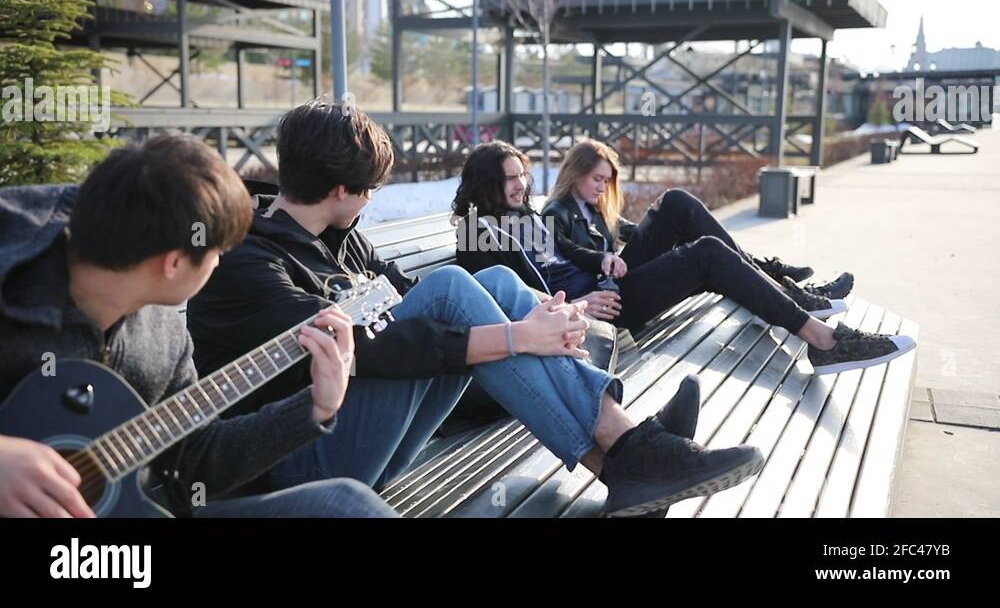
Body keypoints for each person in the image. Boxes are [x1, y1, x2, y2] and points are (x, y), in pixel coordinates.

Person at [185, 99, 765, 517]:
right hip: (302, 462)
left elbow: (406, 297)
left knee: (489, 280)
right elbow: (372, 348)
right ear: (341, 189)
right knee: (457, 287)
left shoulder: (343, 235)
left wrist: (537, 312)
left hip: (365, 432)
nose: (371, 201)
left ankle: (626, 451)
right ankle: (630, 455)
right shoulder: (249, 261)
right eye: (370, 190)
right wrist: (519, 339)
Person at [0, 135, 397, 518]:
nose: (221, 264)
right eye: (217, 253)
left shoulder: (163, 336)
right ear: (173, 264)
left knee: (344, 505)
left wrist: (316, 405)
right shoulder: (16, 268)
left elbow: (197, 459)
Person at [452, 139, 915, 377]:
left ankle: (797, 307)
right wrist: (579, 306)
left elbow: (566, 252)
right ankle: (823, 338)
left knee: (681, 212)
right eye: (510, 178)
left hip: (606, 291)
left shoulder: (525, 215)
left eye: (522, 176)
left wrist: (603, 262)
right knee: (707, 255)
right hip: (597, 314)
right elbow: (500, 298)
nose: (521, 185)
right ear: (485, 181)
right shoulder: (477, 233)